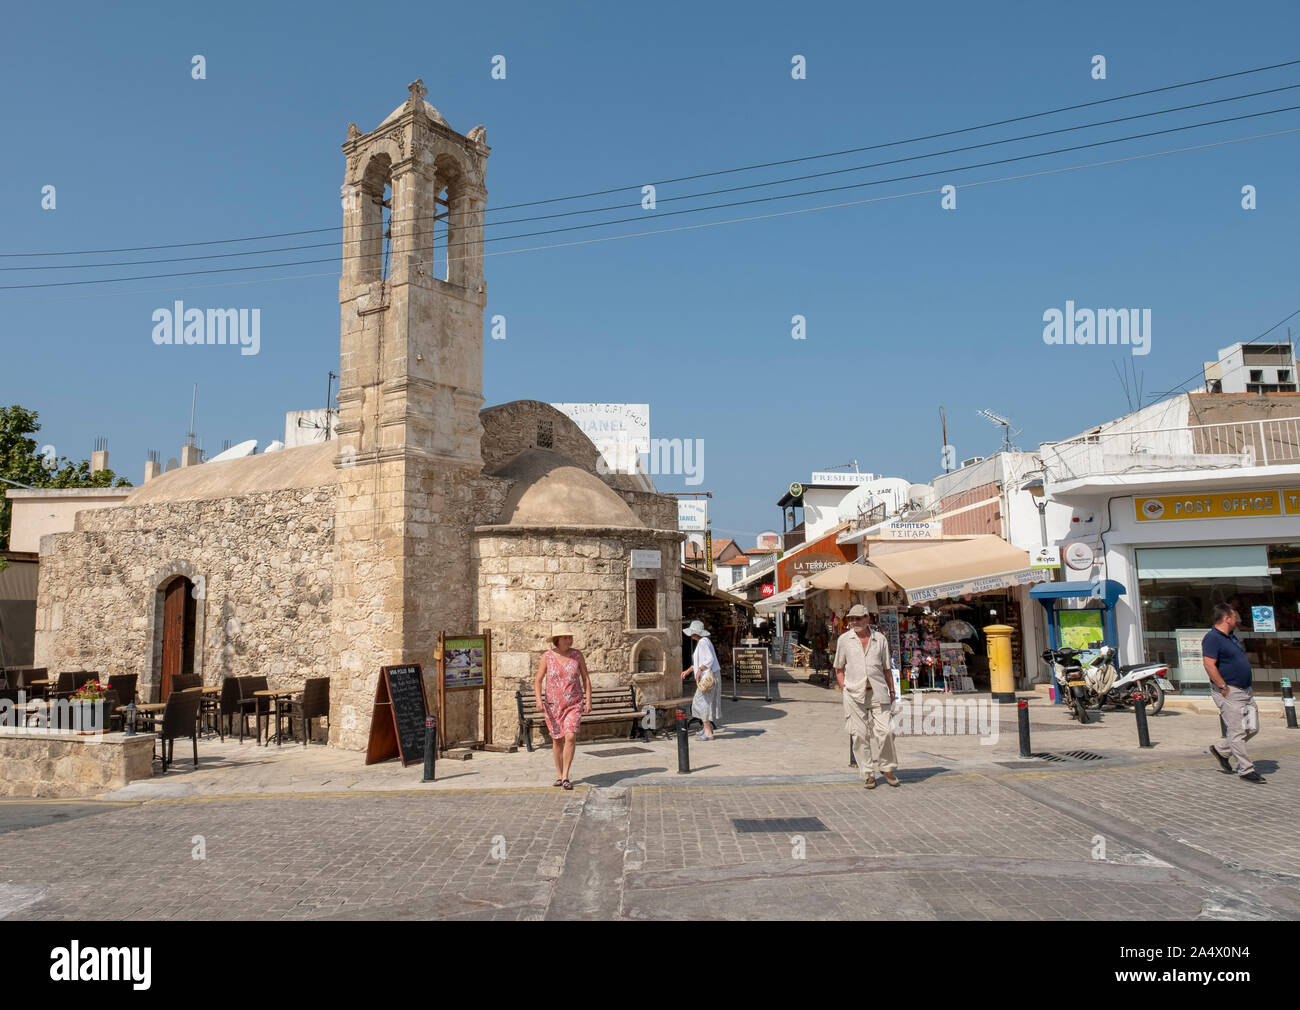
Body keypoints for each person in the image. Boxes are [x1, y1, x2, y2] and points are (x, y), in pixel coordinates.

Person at [833, 604, 900, 789]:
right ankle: (868, 773)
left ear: (867, 618)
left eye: (859, 618)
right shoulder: (844, 640)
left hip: (878, 691)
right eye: (852, 619)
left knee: (886, 731)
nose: (855, 622)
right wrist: (844, 688)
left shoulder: (880, 639)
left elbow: (887, 669)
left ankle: (886, 767)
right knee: (859, 735)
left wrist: (892, 691)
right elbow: (838, 668)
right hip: (854, 693)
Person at [1203, 604, 1264, 783]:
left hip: (1245, 690)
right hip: (1230, 691)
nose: (1237, 619)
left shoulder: (1231, 636)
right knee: (1237, 731)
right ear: (1226, 618)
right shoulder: (1212, 638)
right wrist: (1223, 687)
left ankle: (1222, 750)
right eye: (1234, 616)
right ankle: (1246, 770)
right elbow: (1208, 664)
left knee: (1252, 727)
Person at [534, 624, 591, 790]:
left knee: (571, 736)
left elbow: (586, 678)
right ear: (557, 640)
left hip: (574, 704)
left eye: (570, 637)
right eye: (565, 637)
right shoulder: (547, 657)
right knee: (557, 740)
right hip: (553, 706)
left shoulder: (577, 655)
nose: (569, 640)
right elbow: (538, 680)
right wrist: (538, 700)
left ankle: (566, 776)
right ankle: (559, 775)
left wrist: (588, 700)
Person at [681, 619, 722, 740]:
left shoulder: (703, 642)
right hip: (709, 676)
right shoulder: (704, 642)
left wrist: (699, 670)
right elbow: (700, 662)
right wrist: (688, 671)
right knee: (703, 702)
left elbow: (709, 660)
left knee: (701, 702)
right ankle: (706, 729)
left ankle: (708, 732)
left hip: (707, 678)